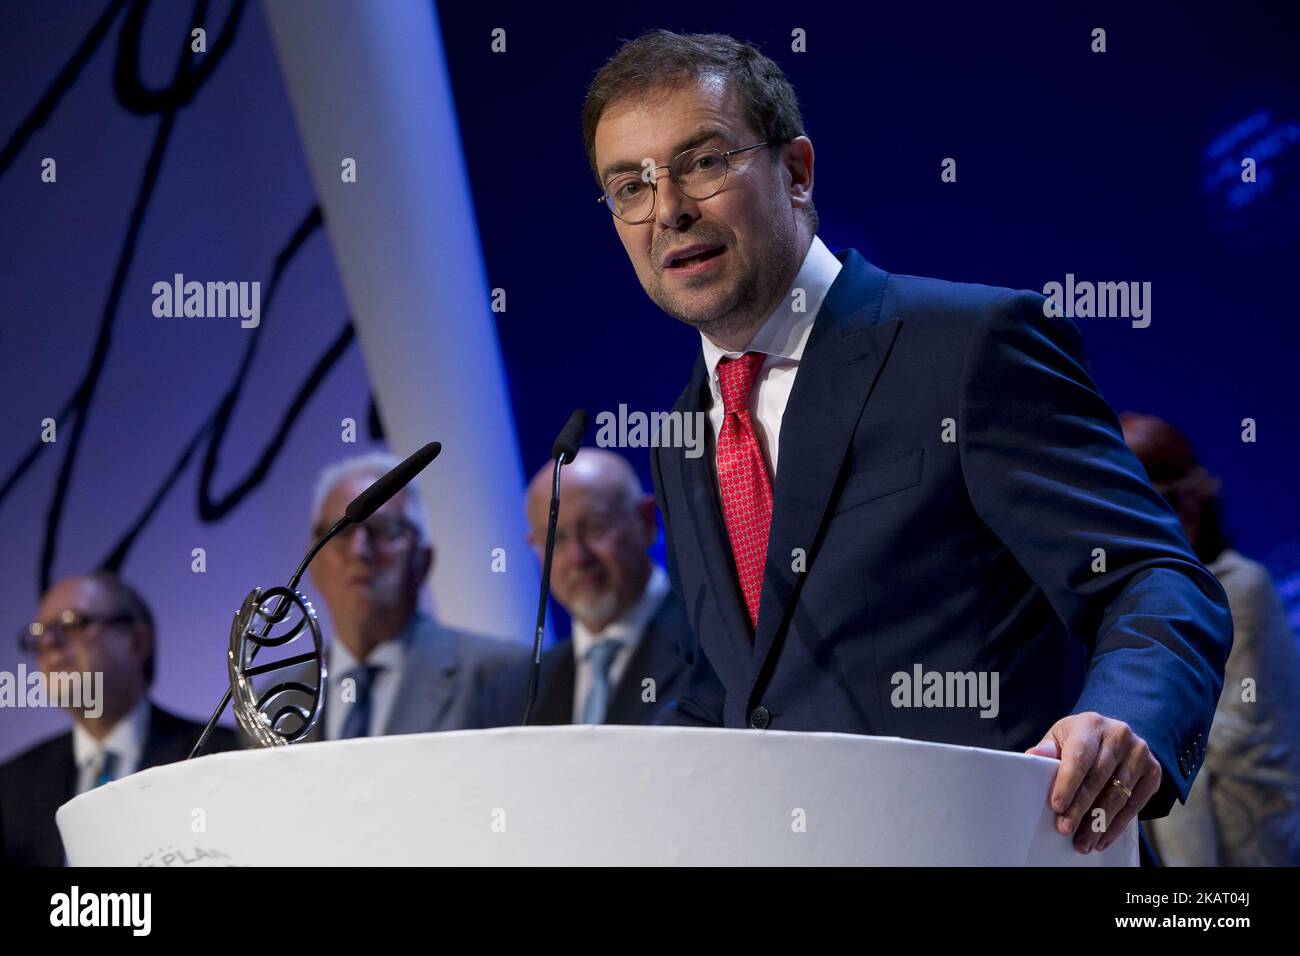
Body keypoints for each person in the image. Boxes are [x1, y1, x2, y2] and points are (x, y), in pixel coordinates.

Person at [583, 30, 1232, 853]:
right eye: (628, 186)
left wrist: (1122, 721)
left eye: (703, 162)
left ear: (795, 171)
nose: (667, 208)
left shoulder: (967, 345)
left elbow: (1153, 578)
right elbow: (735, 687)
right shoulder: (684, 434)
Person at [1122, 412, 1300, 865]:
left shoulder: (1242, 586)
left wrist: (1143, 734)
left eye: (1182, 502)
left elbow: (1247, 733)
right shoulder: (1121, 592)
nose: (1182, 518)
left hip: (1242, 828)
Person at [0, 572, 238, 866]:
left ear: (137, 643)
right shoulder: (11, 786)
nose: (50, 643)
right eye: (38, 634)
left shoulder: (226, 758)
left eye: (72, 624)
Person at [301, 453, 525, 741]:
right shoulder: (274, 701)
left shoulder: (504, 675)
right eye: (341, 532)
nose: (359, 550)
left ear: (424, 559)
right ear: (313, 562)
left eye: (384, 530)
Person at [476, 449, 688, 726]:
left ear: (646, 521)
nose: (578, 557)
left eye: (595, 528)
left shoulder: (712, 648)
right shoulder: (511, 696)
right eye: (556, 539)